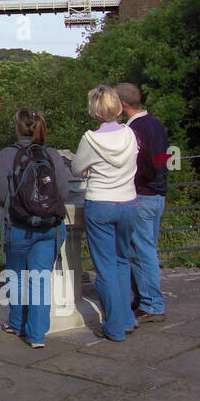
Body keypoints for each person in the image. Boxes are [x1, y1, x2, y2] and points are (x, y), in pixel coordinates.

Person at [0, 108, 70, 348]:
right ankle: (37, 335)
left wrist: (21, 207)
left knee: (16, 277)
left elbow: (0, 193)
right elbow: (63, 192)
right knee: (40, 280)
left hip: (19, 227)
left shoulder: (8, 155)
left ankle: (17, 324)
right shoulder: (52, 155)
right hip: (49, 227)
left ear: (17, 127)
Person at [72, 86, 139, 342]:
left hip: (100, 203)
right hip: (128, 202)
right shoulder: (131, 135)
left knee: (106, 267)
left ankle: (114, 326)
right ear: (118, 107)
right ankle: (127, 319)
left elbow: (78, 168)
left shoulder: (90, 139)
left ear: (94, 110)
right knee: (122, 260)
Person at [116, 83, 169, 324]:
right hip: (157, 194)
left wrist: (132, 183)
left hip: (143, 195)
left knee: (140, 251)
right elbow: (162, 159)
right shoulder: (155, 124)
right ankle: (143, 298)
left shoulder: (134, 130)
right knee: (144, 249)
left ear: (122, 104)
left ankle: (151, 304)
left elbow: (142, 164)